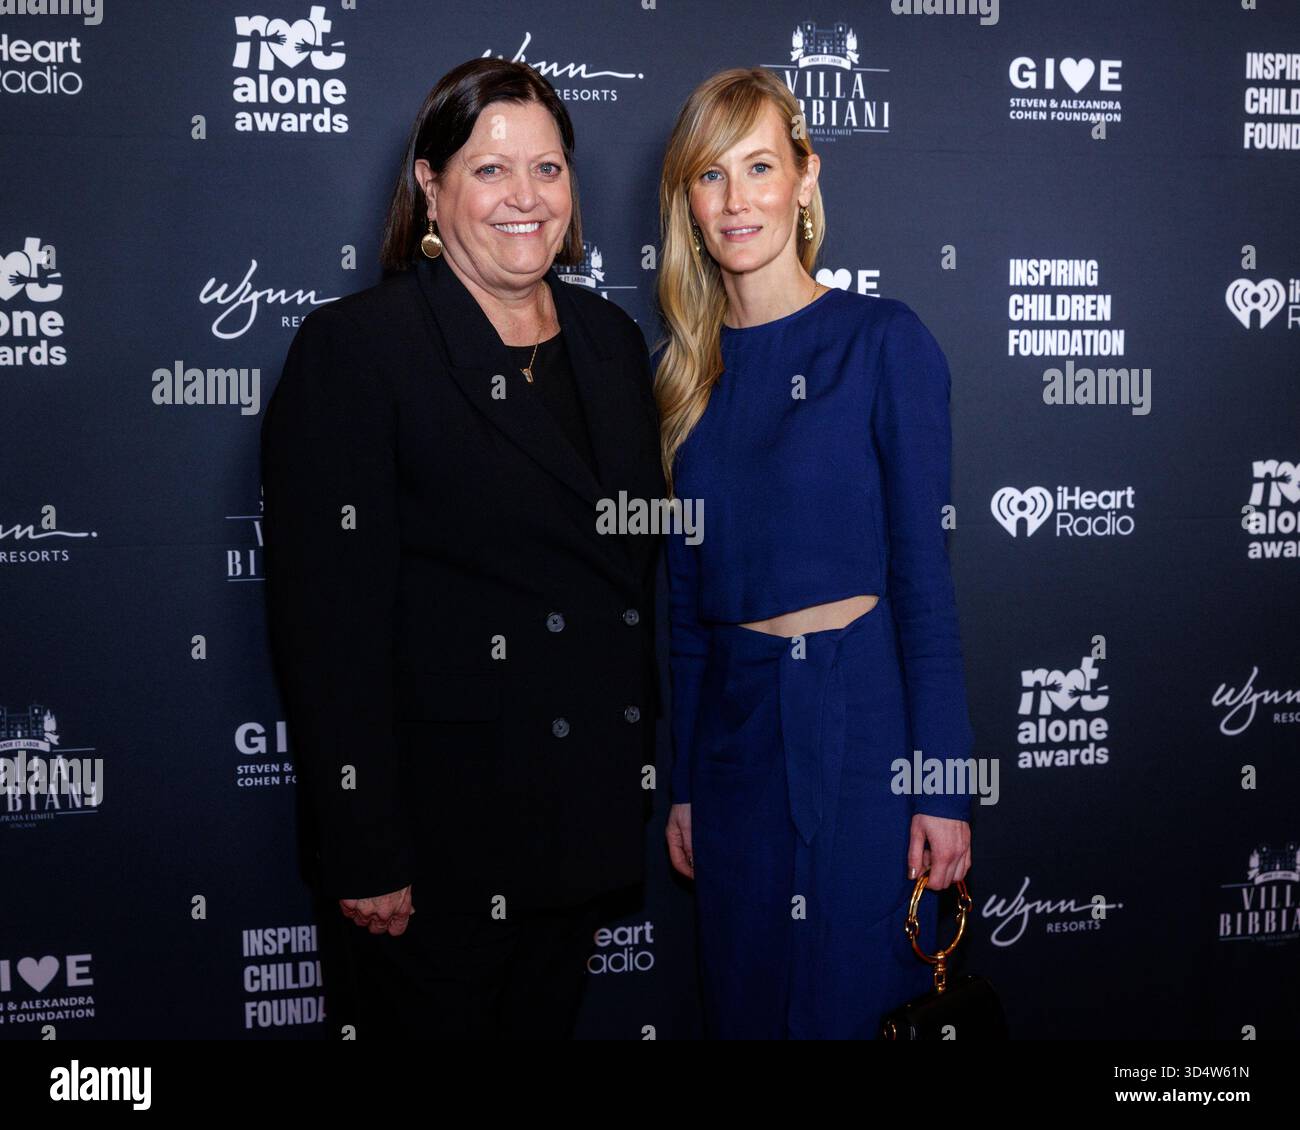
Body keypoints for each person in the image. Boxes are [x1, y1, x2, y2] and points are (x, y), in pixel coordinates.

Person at [260, 57, 665, 1039]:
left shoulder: (611, 341)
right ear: (431, 187)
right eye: (489, 171)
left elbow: (630, 573)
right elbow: (327, 624)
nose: (525, 197)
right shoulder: (360, 348)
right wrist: (366, 847)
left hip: (576, 832)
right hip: (430, 856)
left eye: (548, 168)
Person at [655, 68, 975, 1039]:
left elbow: (923, 578)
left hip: (863, 730)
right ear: (689, 202)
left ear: (804, 177)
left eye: (759, 166)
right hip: (735, 744)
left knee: (854, 996)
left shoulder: (881, 341)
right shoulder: (681, 381)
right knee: (748, 1005)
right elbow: (681, 609)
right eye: (710, 176)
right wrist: (682, 781)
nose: (736, 198)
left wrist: (943, 784)